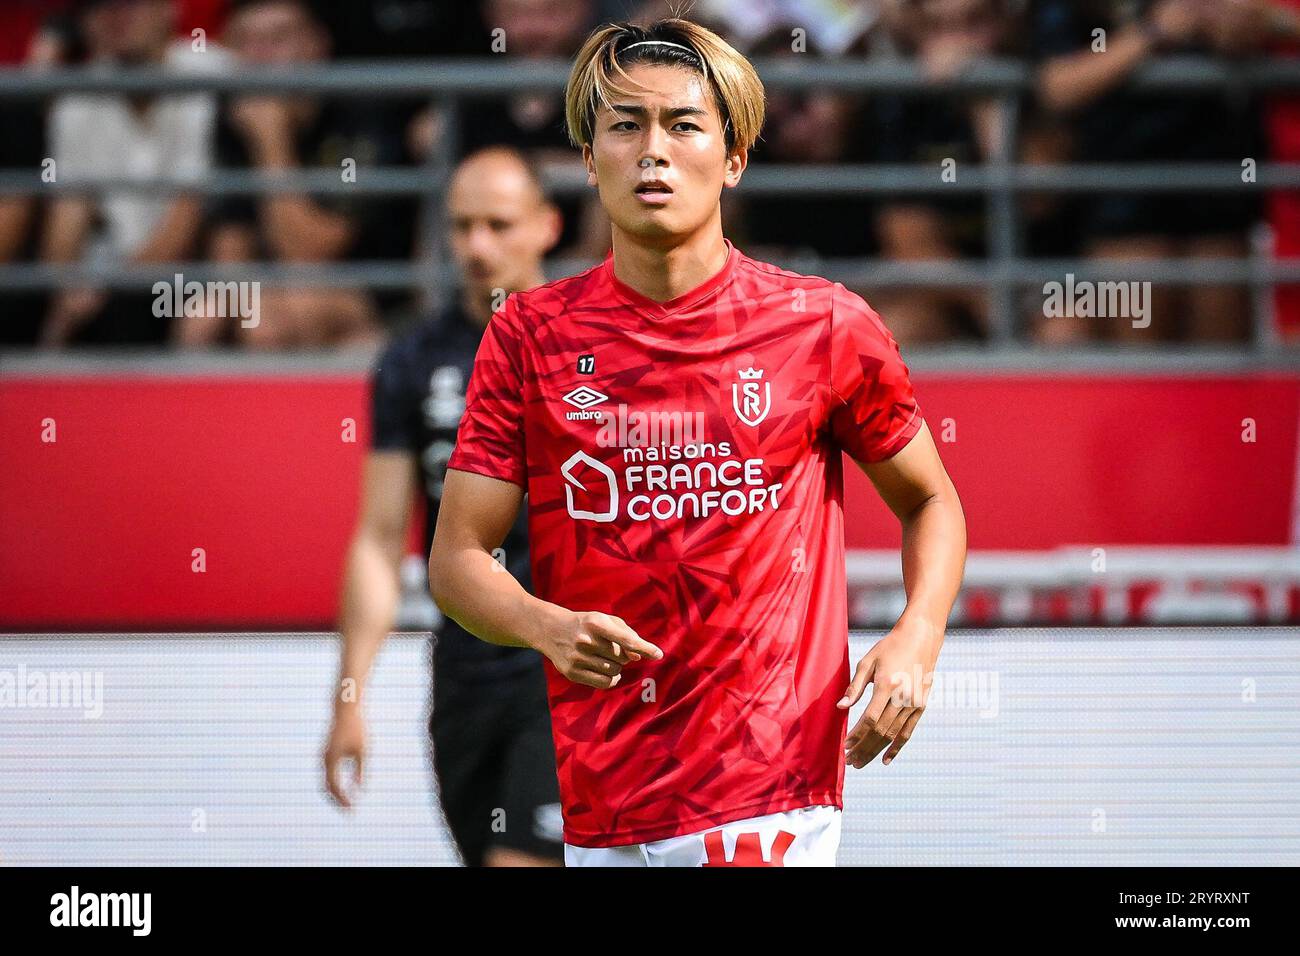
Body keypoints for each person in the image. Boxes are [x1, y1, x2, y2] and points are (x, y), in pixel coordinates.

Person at [428, 18, 967, 867]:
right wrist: (544, 626)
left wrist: (919, 634)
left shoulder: (823, 325)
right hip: (600, 797)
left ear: (735, 157)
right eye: (625, 126)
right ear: (588, 158)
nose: (653, 151)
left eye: (683, 125)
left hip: (767, 785)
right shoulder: (527, 336)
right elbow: (457, 560)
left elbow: (930, 498)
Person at [323, 146, 565, 868]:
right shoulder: (412, 361)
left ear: (547, 226)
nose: (477, 246)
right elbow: (379, 538)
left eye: (499, 225)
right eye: (462, 227)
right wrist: (349, 695)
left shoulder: (586, 345)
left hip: (564, 668)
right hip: (462, 674)